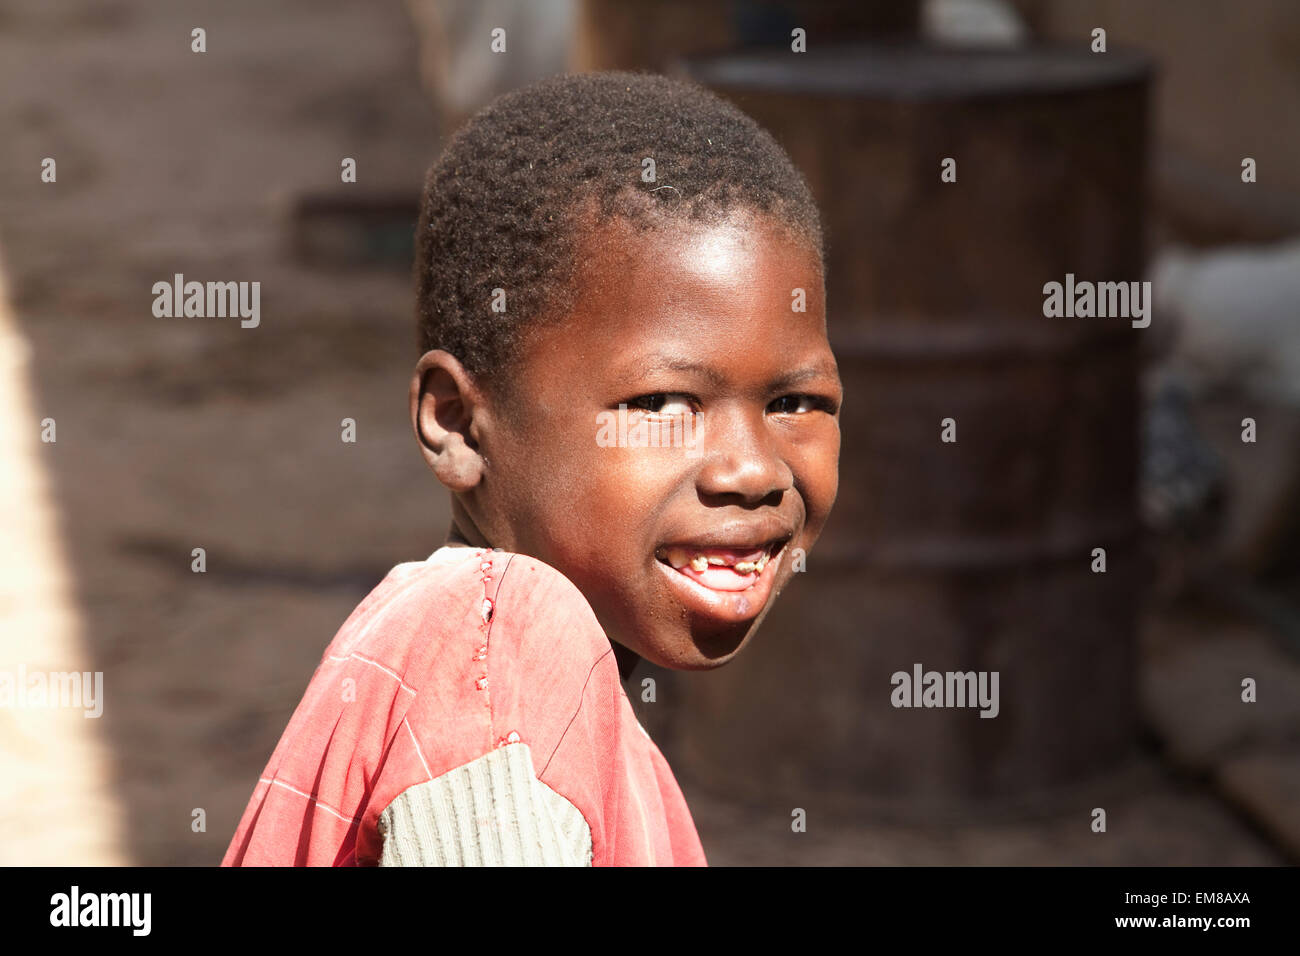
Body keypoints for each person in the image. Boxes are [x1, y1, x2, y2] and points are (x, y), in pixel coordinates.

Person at [222, 70, 841, 866]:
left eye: (795, 403)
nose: (752, 470)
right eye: (658, 404)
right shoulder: (503, 654)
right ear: (459, 425)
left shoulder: (502, 669)